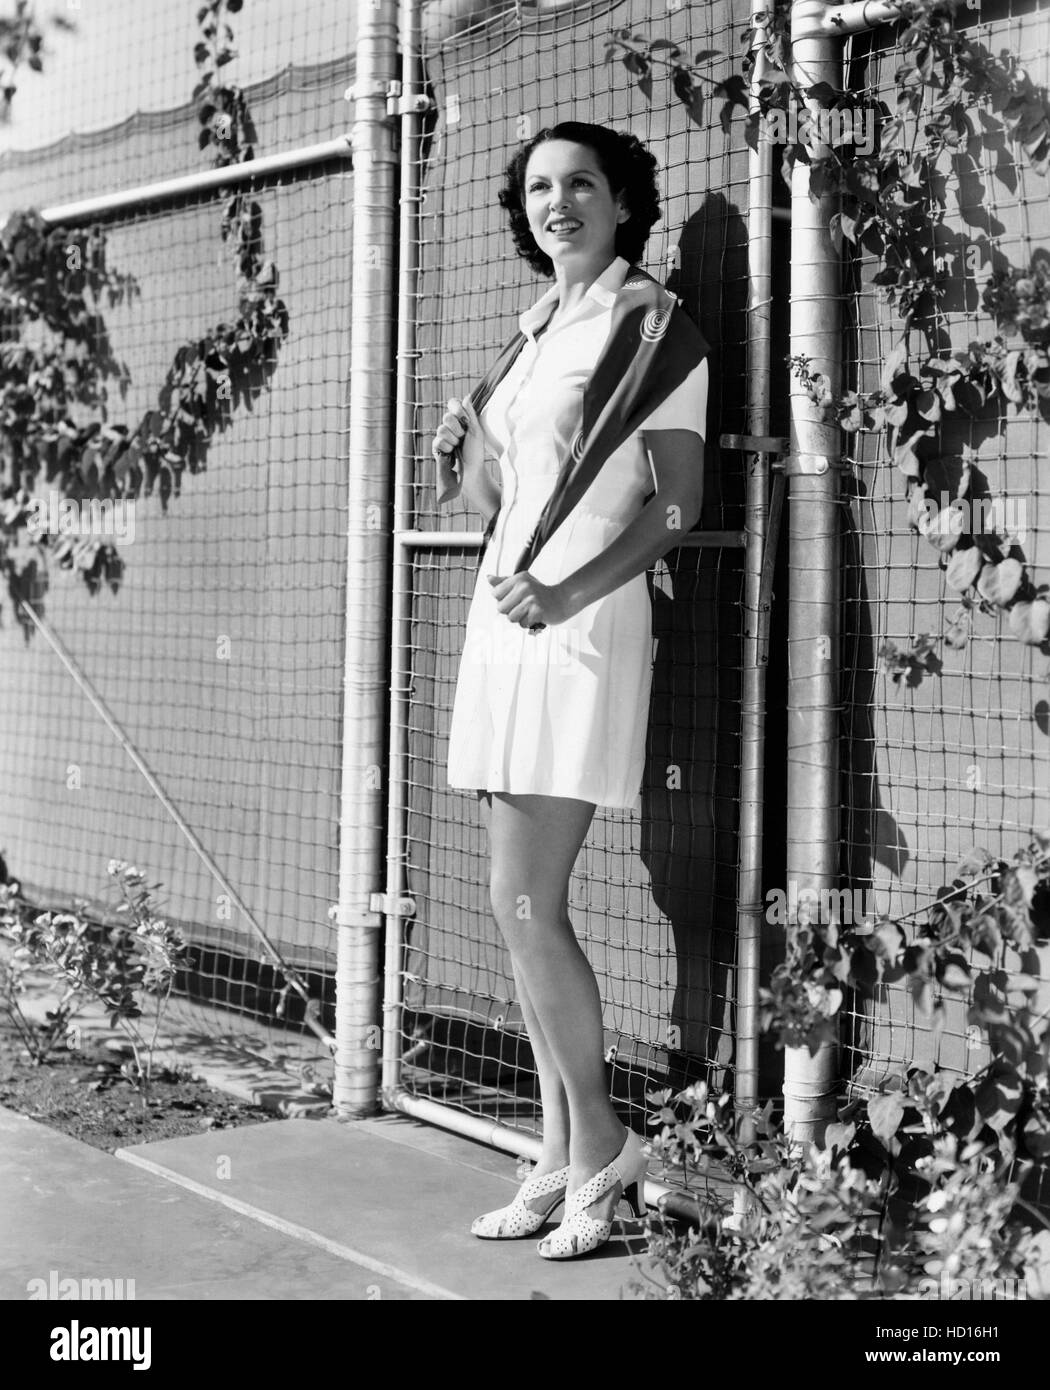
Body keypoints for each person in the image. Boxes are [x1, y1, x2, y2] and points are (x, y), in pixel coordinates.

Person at [430, 121, 709, 1260]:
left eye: (580, 184)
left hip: (581, 629)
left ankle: (602, 1144)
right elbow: (487, 507)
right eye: (539, 188)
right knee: (515, 907)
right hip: (507, 625)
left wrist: (569, 586)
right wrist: (466, 444)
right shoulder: (535, 330)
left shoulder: (655, 325)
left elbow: (680, 503)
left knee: (530, 902)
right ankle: (555, 1151)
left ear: (623, 201)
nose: (558, 203)